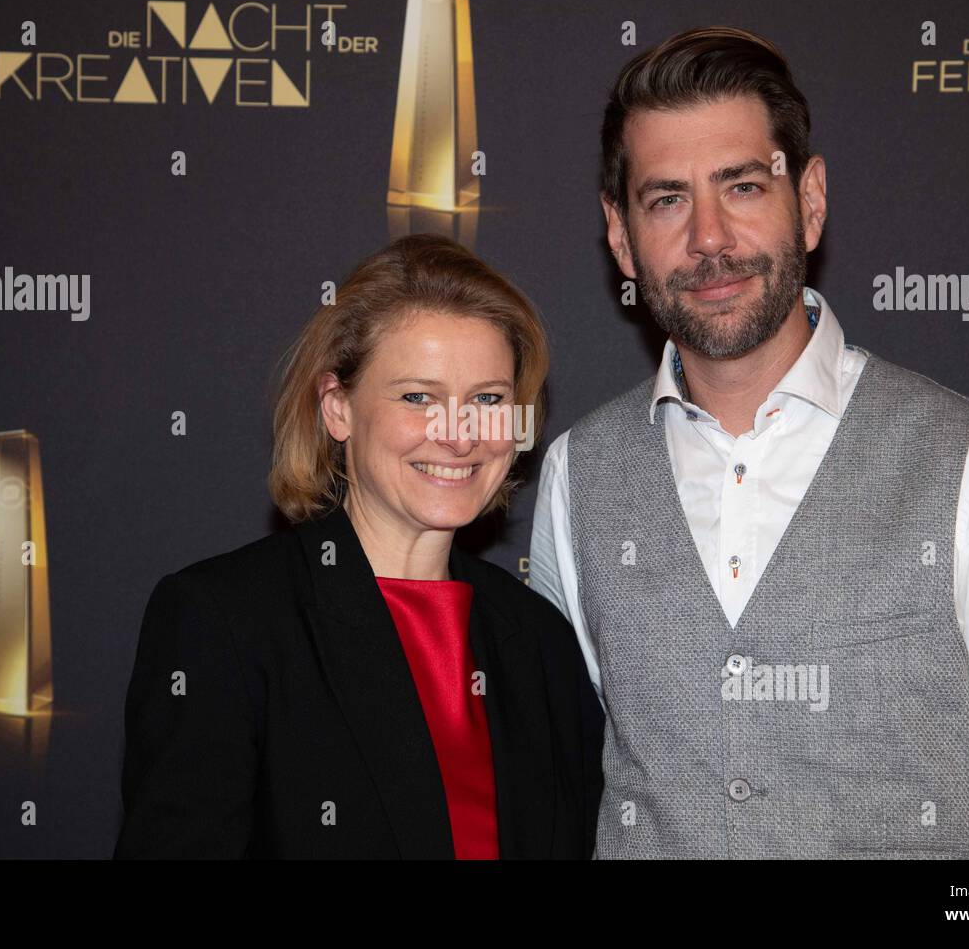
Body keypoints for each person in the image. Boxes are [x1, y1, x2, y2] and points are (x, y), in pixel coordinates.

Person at [529, 26, 969, 858]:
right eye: (667, 198)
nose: (708, 238)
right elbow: (571, 771)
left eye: (741, 186)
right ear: (622, 236)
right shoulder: (575, 475)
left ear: (809, 201)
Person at [115, 233, 603, 858]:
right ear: (337, 407)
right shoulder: (224, 624)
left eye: (487, 399)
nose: (457, 436)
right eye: (418, 397)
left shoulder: (539, 641)